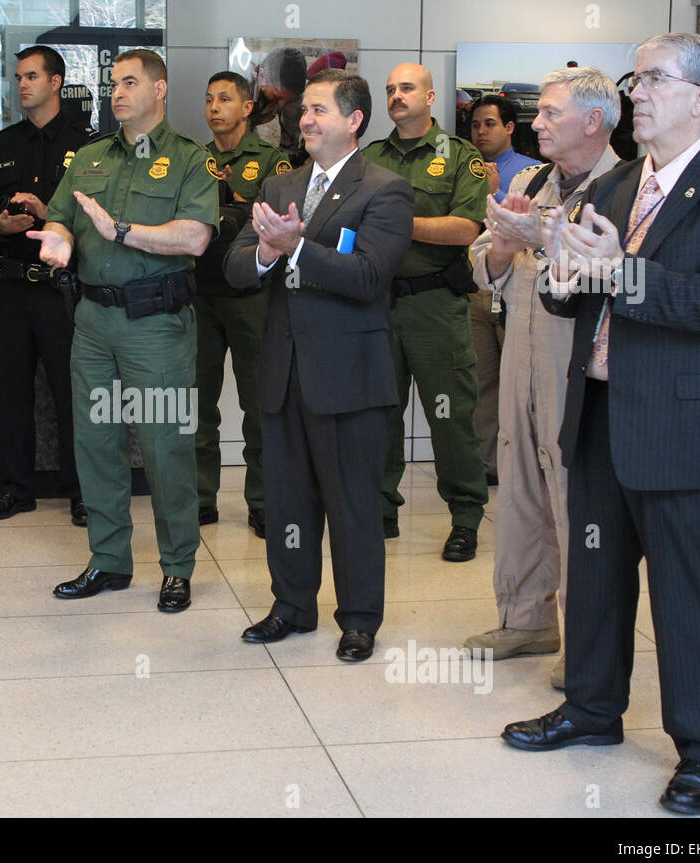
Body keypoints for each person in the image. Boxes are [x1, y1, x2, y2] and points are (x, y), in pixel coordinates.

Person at [502, 34, 700, 816]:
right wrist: (556, 262)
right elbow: (574, 293)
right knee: (594, 578)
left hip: (686, 429)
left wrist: (617, 270)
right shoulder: (618, 181)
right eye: (635, 80)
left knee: (691, 595)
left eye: (654, 80)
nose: (638, 93)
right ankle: (593, 708)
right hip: (597, 412)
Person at [226, 70, 413, 661]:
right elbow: (234, 269)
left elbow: (367, 277)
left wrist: (296, 248)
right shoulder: (281, 185)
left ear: (354, 120)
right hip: (283, 373)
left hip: (350, 376)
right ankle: (291, 606)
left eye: (318, 110)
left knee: (354, 504)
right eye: (303, 110)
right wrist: (262, 250)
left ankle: (359, 618)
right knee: (287, 501)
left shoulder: (384, 188)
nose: (304, 120)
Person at [29, 49, 218, 613]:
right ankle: (109, 561)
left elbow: (195, 239)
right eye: (113, 83)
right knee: (97, 446)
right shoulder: (87, 157)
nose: (117, 93)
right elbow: (61, 211)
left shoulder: (189, 160)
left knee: (165, 449)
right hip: (92, 322)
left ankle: (178, 566)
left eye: (130, 82)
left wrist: (122, 231)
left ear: (160, 89)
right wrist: (59, 236)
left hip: (154, 324)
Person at [464, 67, 624, 688]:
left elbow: (617, 280)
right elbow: (483, 262)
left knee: (575, 499)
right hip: (520, 353)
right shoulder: (531, 179)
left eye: (551, 114)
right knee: (521, 484)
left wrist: (546, 238)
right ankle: (527, 617)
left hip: (581, 365)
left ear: (593, 121)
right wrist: (505, 245)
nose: (537, 124)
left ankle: (585, 641)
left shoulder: (626, 189)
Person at [362, 63, 489, 562]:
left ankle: (465, 516)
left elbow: (466, 229)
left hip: (435, 305)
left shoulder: (460, 157)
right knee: (379, 414)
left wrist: (397, 225)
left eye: (406, 88)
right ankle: (379, 509)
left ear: (431, 97)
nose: (396, 95)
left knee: (450, 416)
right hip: (377, 305)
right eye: (390, 88)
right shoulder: (369, 157)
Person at [0, 45, 93, 526]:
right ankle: (16, 490)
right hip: (16, 287)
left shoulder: (87, 145)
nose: (22, 85)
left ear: (57, 82)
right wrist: (1, 224)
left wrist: (49, 214)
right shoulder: (2, 145)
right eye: (18, 77)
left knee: (70, 392)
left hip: (63, 288)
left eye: (32, 76)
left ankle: (80, 491)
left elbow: (98, 221)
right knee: (12, 393)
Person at [194, 70, 291, 538]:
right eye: (209, 99)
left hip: (253, 297)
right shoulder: (192, 159)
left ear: (248, 108)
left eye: (225, 99)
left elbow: (274, 223)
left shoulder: (271, 161)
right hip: (200, 295)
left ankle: (263, 502)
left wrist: (231, 204)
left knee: (260, 405)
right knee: (197, 404)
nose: (214, 107)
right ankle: (198, 498)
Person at [467, 95, 540, 483]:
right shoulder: (467, 167)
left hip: (517, 292)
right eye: (476, 124)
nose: (481, 132)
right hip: (478, 287)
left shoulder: (533, 174)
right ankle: (486, 466)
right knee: (481, 383)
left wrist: (494, 194)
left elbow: (525, 235)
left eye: (490, 124)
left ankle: (522, 466)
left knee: (520, 384)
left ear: (510, 127)